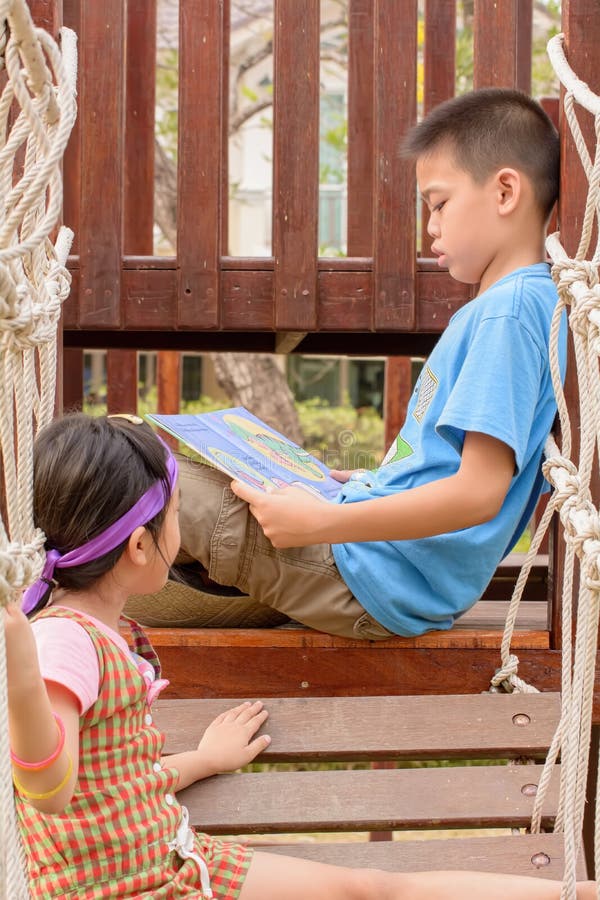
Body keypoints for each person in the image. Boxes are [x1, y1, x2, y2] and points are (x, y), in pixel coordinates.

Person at [4, 413, 594, 899]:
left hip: (177, 860)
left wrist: (204, 761)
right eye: (179, 513)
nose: (183, 525)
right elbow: (51, 789)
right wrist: (23, 673)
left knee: (367, 889)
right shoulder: (62, 644)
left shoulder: (102, 630)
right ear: (139, 546)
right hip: (145, 885)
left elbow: (113, 786)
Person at [138, 86, 567, 640]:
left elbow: (479, 491)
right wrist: (368, 481)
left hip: (369, 574)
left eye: (439, 204)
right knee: (168, 477)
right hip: (379, 566)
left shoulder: (506, 315)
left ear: (505, 190)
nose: (431, 226)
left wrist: (325, 520)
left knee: (136, 472)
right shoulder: (521, 306)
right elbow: (450, 467)